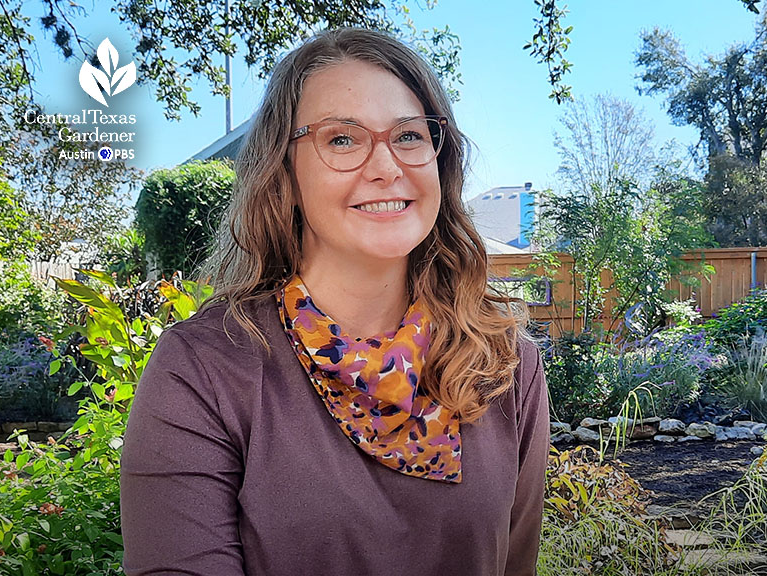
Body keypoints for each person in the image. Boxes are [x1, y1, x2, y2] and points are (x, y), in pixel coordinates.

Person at [120, 27, 550, 576]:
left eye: (410, 136)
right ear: (285, 171)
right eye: (342, 139)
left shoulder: (505, 366)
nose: (387, 166)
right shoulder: (206, 370)